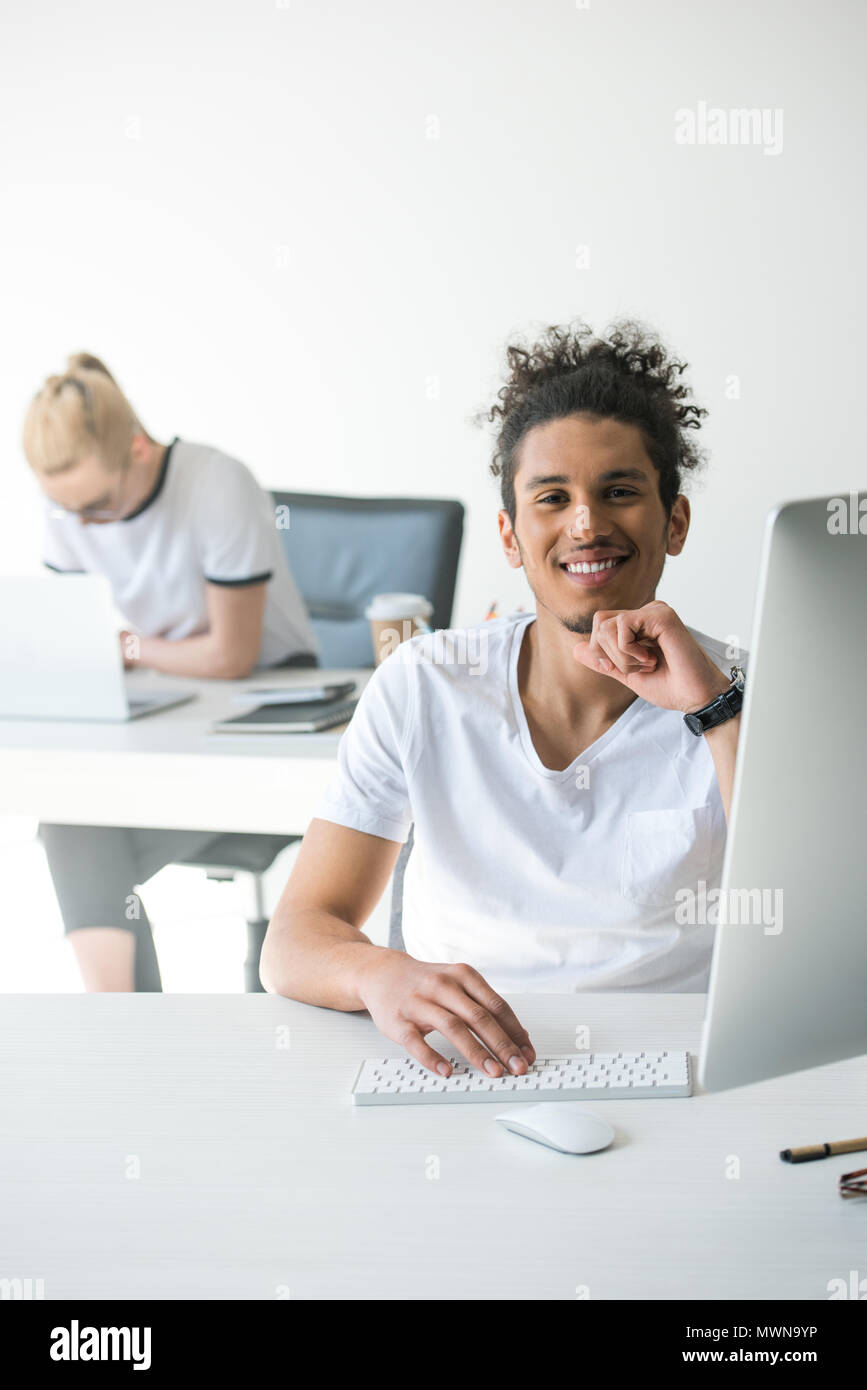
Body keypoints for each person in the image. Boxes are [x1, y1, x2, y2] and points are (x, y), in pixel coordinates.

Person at [260, 318, 749, 1077]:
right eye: (551, 498)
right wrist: (376, 971)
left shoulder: (743, 692)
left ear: (673, 521)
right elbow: (295, 938)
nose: (586, 524)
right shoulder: (424, 684)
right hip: (462, 1065)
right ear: (511, 536)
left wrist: (713, 710)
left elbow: (816, 930)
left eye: (618, 491)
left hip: (679, 1064)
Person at [23, 352, 319, 992]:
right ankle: (121, 1026)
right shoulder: (69, 511)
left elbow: (229, 656)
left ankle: (122, 1031)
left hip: (264, 722)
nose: (82, 526)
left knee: (77, 827)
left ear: (135, 448)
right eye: (65, 510)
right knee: (72, 813)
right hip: (166, 710)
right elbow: (74, 645)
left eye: (96, 506)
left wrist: (126, 647)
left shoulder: (216, 483)